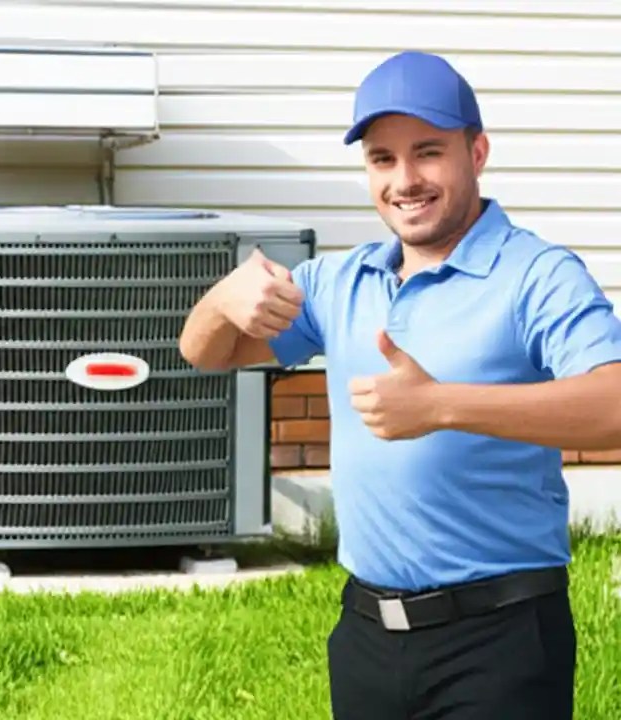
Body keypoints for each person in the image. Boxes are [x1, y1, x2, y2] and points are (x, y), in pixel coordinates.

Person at [178, 50, 621, 719]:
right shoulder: (340, 282)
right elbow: (204, 353)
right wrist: (221, 300)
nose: (404, 180)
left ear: (478, 151)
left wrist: (439, 405)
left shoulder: (538, 275)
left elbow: (614, 405)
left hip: (498, 640)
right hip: (365, 636)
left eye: (427, 152)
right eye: (382, 159)